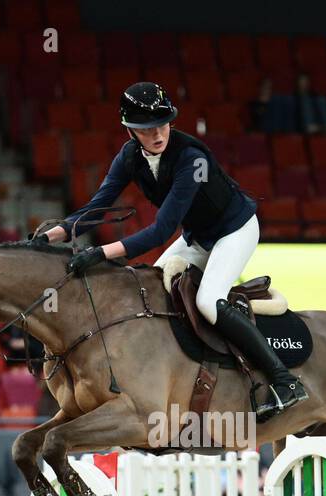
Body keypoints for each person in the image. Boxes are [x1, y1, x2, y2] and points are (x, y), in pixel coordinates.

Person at [39, 82, 306, 421]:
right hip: (198, 235)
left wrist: (101, 253)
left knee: (208, 302)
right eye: (147, 129)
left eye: (163, 124)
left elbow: (162, 231)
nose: (158, 134)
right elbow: (98, 207)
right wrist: (50, 238)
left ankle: (284, 381)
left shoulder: (191, 159)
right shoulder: (129, 157)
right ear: (131, 131)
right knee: (150, 289)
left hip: (235, 231)